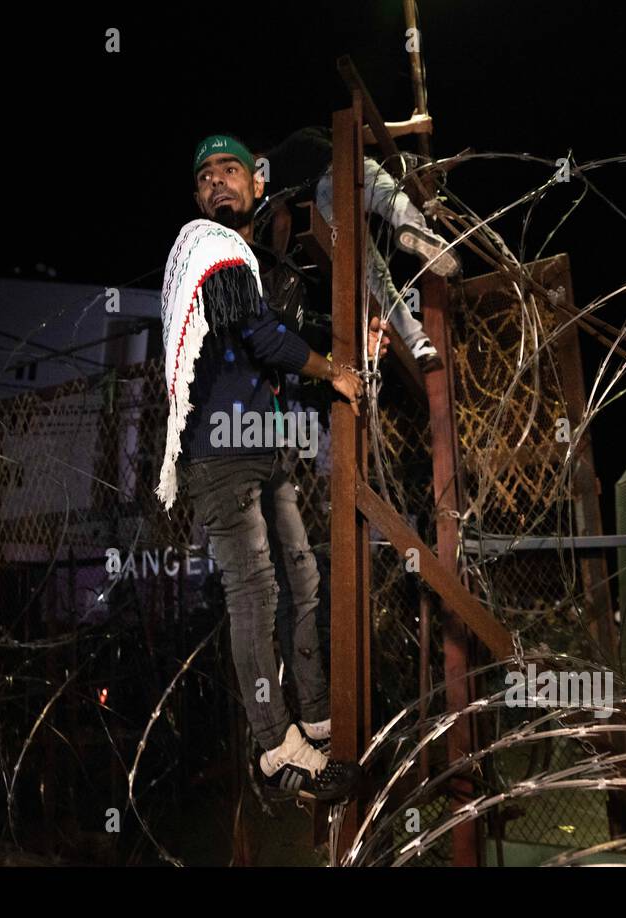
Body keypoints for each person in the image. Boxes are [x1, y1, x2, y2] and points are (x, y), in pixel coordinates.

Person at [162, 132, 388, 803]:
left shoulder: (251, 257)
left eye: (230, 170)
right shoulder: (207, 248)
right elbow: (261, 335)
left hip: (264, 451)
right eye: (205, 177)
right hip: (220, 459)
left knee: (303, 578)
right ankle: (276, 746)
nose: (216, 184)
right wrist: (333, 371)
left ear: (256, 184)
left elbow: (275, 342)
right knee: (255, 593)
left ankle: (317, 715)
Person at [264, 125, 461, 373]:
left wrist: (277, 260)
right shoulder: (304, 134)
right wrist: (412, 126)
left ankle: (420, 345)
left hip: (326, 195)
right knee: (393, 203)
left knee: (375, 277)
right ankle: (419, 234)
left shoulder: (266, 171)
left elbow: (282, 220)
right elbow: (364, 132)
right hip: (352, 167)